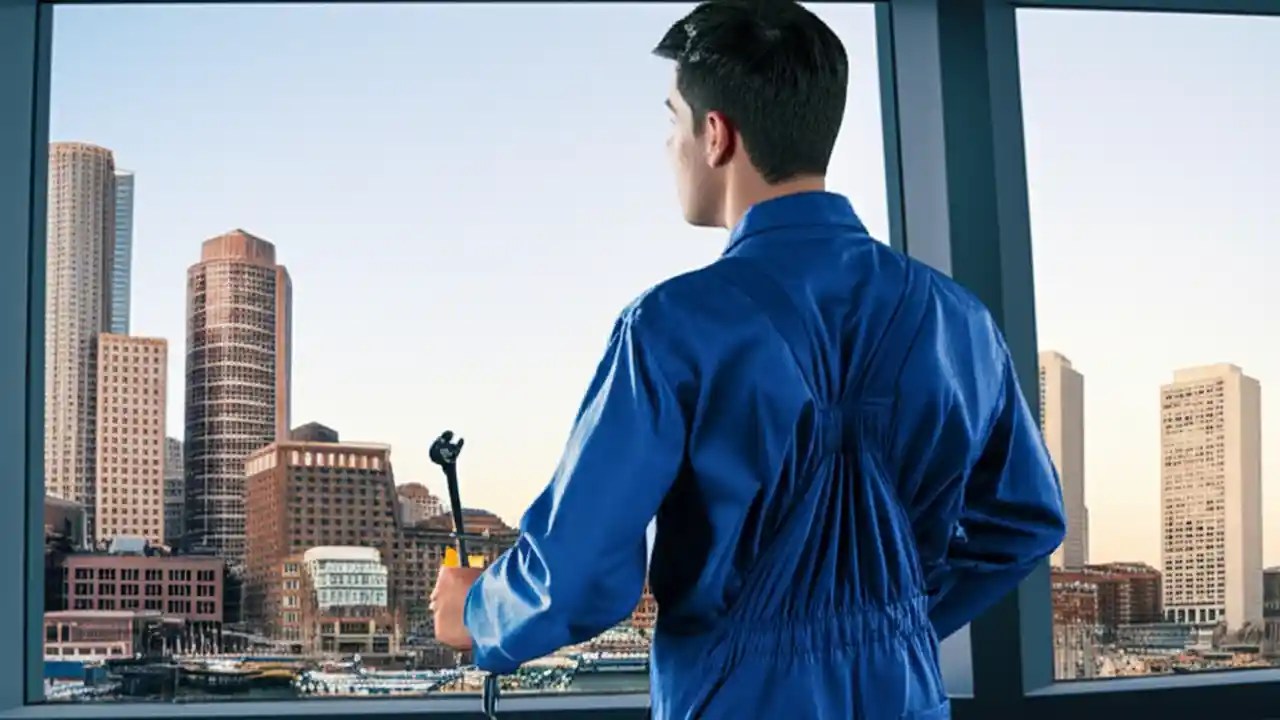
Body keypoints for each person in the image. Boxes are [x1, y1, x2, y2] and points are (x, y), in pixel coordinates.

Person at [430, 1, 1066, 718]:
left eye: (671, 119)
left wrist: (474, 612)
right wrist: (894, 624)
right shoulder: (963, 322)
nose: (667, 145)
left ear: (715, 134)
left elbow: (582, 576)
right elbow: (1024, 523)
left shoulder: (669, 327)